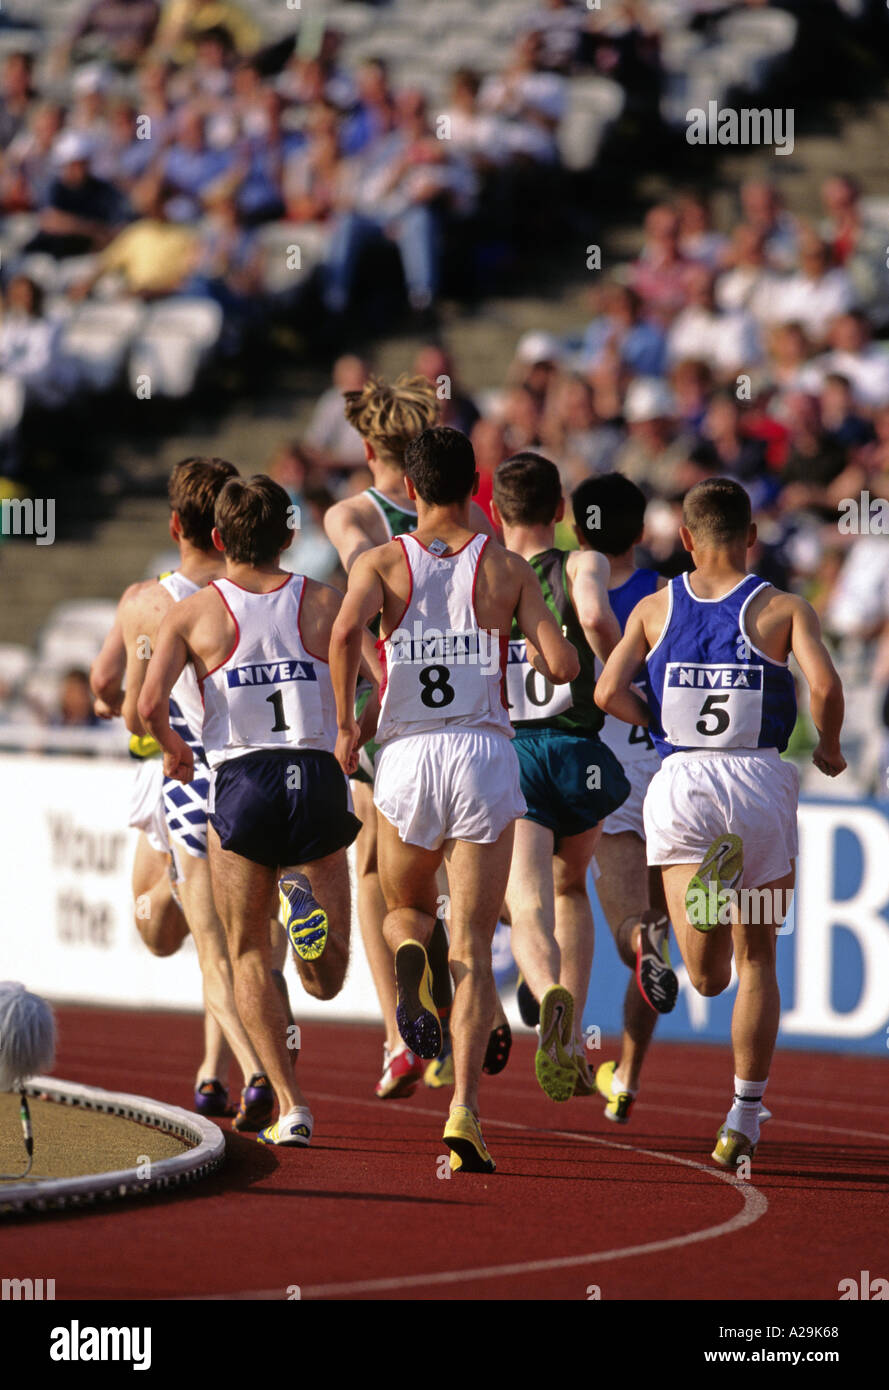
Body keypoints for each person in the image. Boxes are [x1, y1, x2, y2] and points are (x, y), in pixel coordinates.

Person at [329, 426, 579, 1172]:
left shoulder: (380, 561)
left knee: (405, 906)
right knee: (472, 942)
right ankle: (464, 1111)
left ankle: (409, 952)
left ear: (409, 490)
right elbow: (560, 663)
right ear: (473, 487)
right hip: (482, 756)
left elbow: (344, 634)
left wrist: (347, 722)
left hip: (405, 756)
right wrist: (531, 643)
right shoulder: (503, 567)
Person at [596, 477, 846, 1168]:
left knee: (702, 977)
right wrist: (826, 746)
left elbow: (605, 691)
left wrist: (655, 723)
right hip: (758, 782)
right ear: (750, 539)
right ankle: (742, 1112)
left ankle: (703, 905)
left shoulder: (653, 606)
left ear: (683, 539)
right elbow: (823, 686)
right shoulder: (782, 606)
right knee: (757, 958)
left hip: (681, 784)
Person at [139, 474, 376, 1147]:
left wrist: (173, 748)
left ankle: (292, 1106)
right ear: (291, 538)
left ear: (218, 540)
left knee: (247, 953)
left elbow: (147, 705)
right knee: (327, 980)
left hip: (241, 779)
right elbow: (380, 682)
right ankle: (300, 906)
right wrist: (351, 732)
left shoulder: (191, 615)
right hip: (315, 774)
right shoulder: (326, 599)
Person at [323, 374, 498, 1100]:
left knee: (375, 871)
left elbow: (360, 619)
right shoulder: (470, 518)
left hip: (388, 708)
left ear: (367, 446)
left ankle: (398, 1033)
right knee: (459, 870)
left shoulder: (350, 516)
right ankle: (462, 1002)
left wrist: (368, 698)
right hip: (468, 712)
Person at [118, 456, 278, 1128]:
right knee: (251, 943)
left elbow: (133, 711)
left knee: (205, 947)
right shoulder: (265, 590)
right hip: (263, 778)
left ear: (176, 524)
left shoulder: (150, 603)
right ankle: (217, 1072)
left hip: (187, 778)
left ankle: (258, 1072)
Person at [491, 453, 630, 1102]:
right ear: (560, 512)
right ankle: (572, 1037)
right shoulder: (579, 561)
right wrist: (616, 674)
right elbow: (597, 618)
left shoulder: (482, 572)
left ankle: (546, 992)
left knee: (524, 902)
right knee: (571, 885)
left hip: (510, 751)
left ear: (496, 512)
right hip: (578, 751)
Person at [570, 473, 676, 1123]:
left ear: (577, 531)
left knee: (626, 929)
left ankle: (542, 993)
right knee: (657, 935)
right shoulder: (667, 599)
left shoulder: (559, 591)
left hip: (599, 772)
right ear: (640, 533)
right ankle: (627, 1078)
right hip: (667, 768)